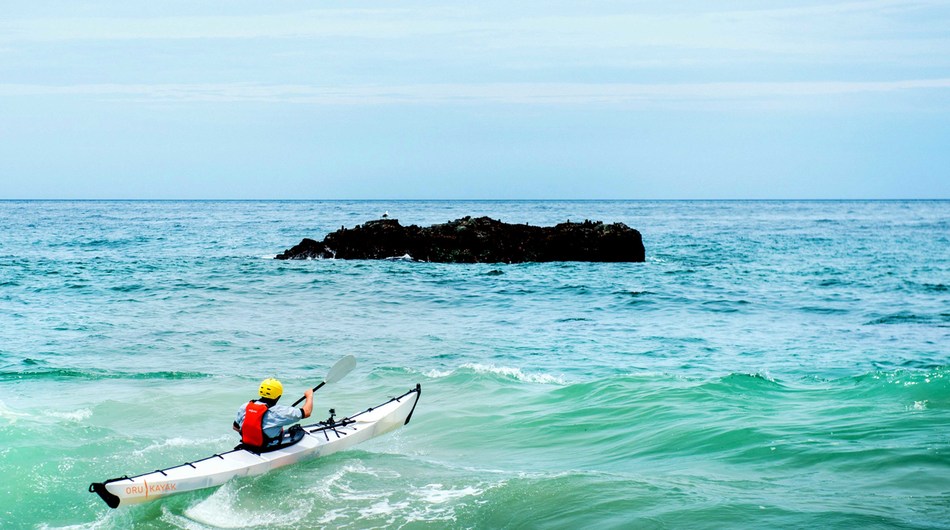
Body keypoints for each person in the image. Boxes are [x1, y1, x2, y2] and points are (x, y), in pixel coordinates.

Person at [233, 378, 313, 451]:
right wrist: (309, 396)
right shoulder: (279, 411)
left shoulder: (245, 406)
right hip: (267, 449)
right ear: (279, 395)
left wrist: (252, 435)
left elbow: (235, 427)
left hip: (247, 445)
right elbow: (306, 412)